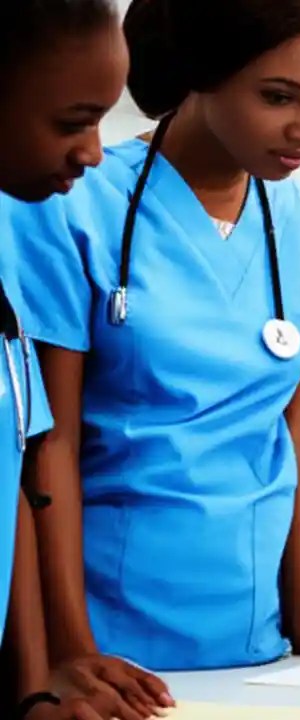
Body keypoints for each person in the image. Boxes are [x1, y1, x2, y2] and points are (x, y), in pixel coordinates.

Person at [8, 0, 300, 692]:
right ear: (198, 76)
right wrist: (70, 649)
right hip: (116, 640)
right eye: (278, 97)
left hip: (259, 641)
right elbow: (47, 445)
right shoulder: (74, 204)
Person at [0, 3, 130, 718]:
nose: (94, 152)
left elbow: (16, 481)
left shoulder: (10, 271)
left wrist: (32, 693)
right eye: (72, 121)